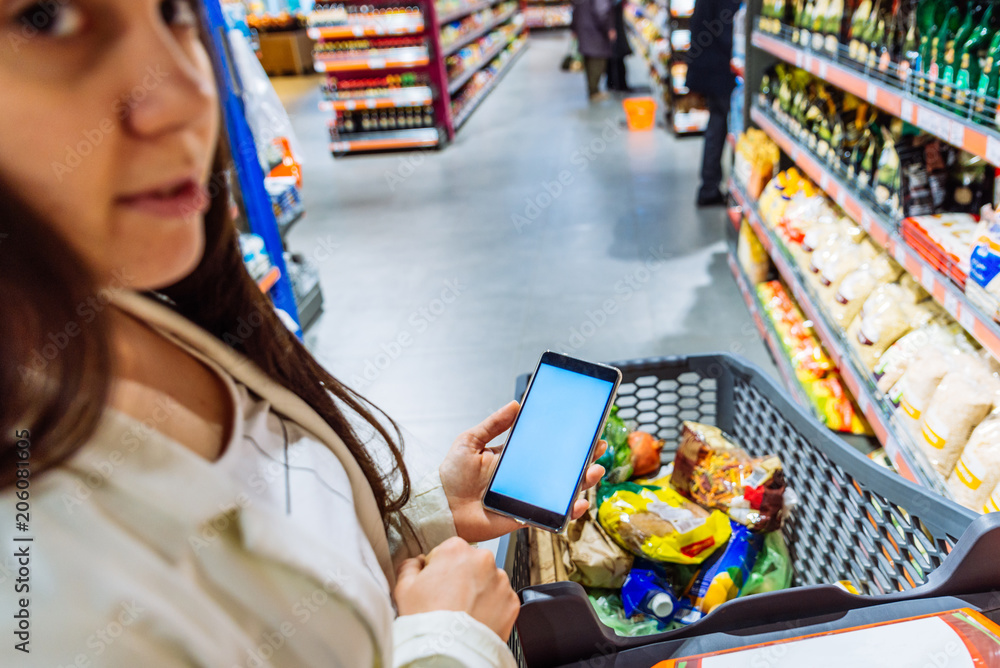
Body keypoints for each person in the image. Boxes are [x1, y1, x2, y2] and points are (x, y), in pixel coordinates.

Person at [0, 1, 607, 666]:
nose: (185, 91)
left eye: (172, 10)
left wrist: (428, 520)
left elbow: (299, 564)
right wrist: (449, 645)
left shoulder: (145, 312)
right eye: (43, 18)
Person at [686, 0, 742, 206]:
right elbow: (727, 30)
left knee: (717, 125)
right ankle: (737, 189)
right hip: (720, 68)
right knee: (735, 127)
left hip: (709, 65)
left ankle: (709, 187)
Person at [571, 0, 615, 101]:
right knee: (598, 62)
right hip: (595, 31)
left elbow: (575, 9)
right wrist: (608, 28)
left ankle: (592, 90)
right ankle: (594, 92)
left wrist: (574, 27)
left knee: (589, 61)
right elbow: (602, 11)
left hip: (583, 28)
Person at [606, 0, 632, 93]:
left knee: (614, 57)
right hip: (614, 28)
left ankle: (613, 83)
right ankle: (620, 85)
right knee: (617, 57)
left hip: (614, 26)